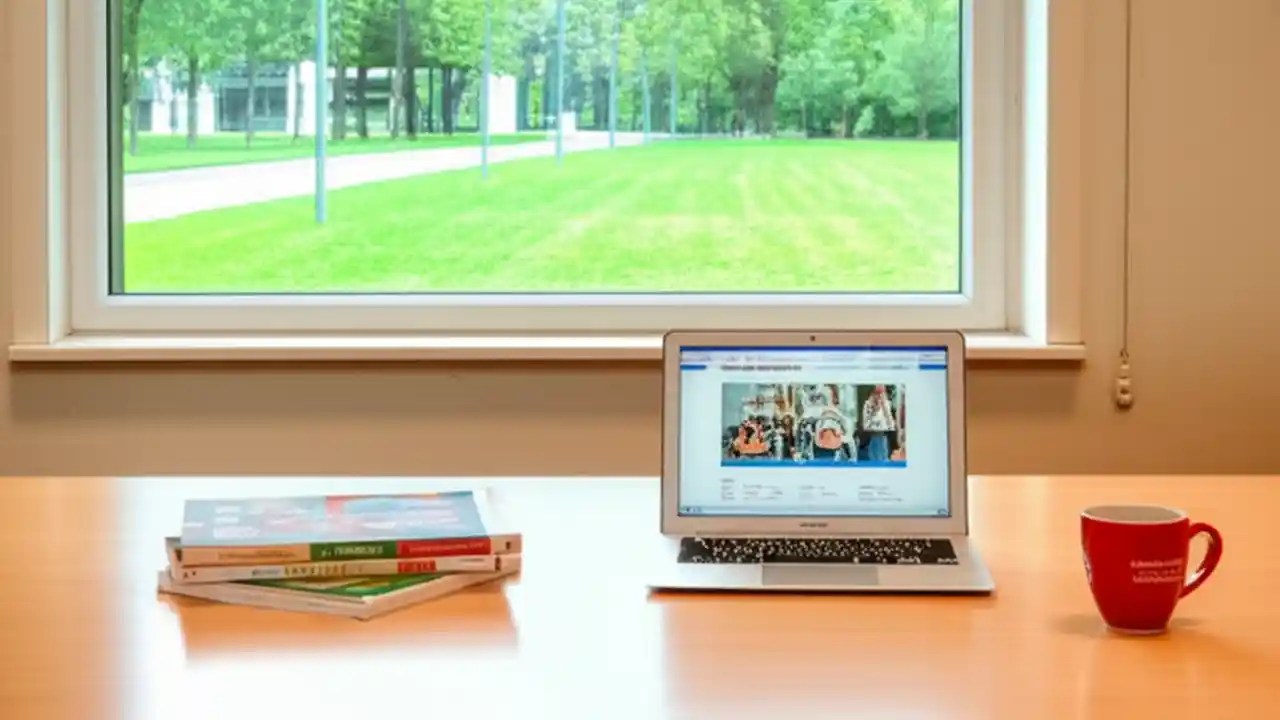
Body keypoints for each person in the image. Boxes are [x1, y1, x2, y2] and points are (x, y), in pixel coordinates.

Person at [861, 385, 897, 462]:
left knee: (884, 460)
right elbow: (866, 425)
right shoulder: (868, 404)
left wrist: (884, 408)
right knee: (874, 460)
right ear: (873, 394)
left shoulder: (887, 404)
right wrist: (873, 410)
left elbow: (891, 426)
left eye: (882, 394)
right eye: (877, 393)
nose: (879, 396)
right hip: (872, 438)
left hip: (884, 437)